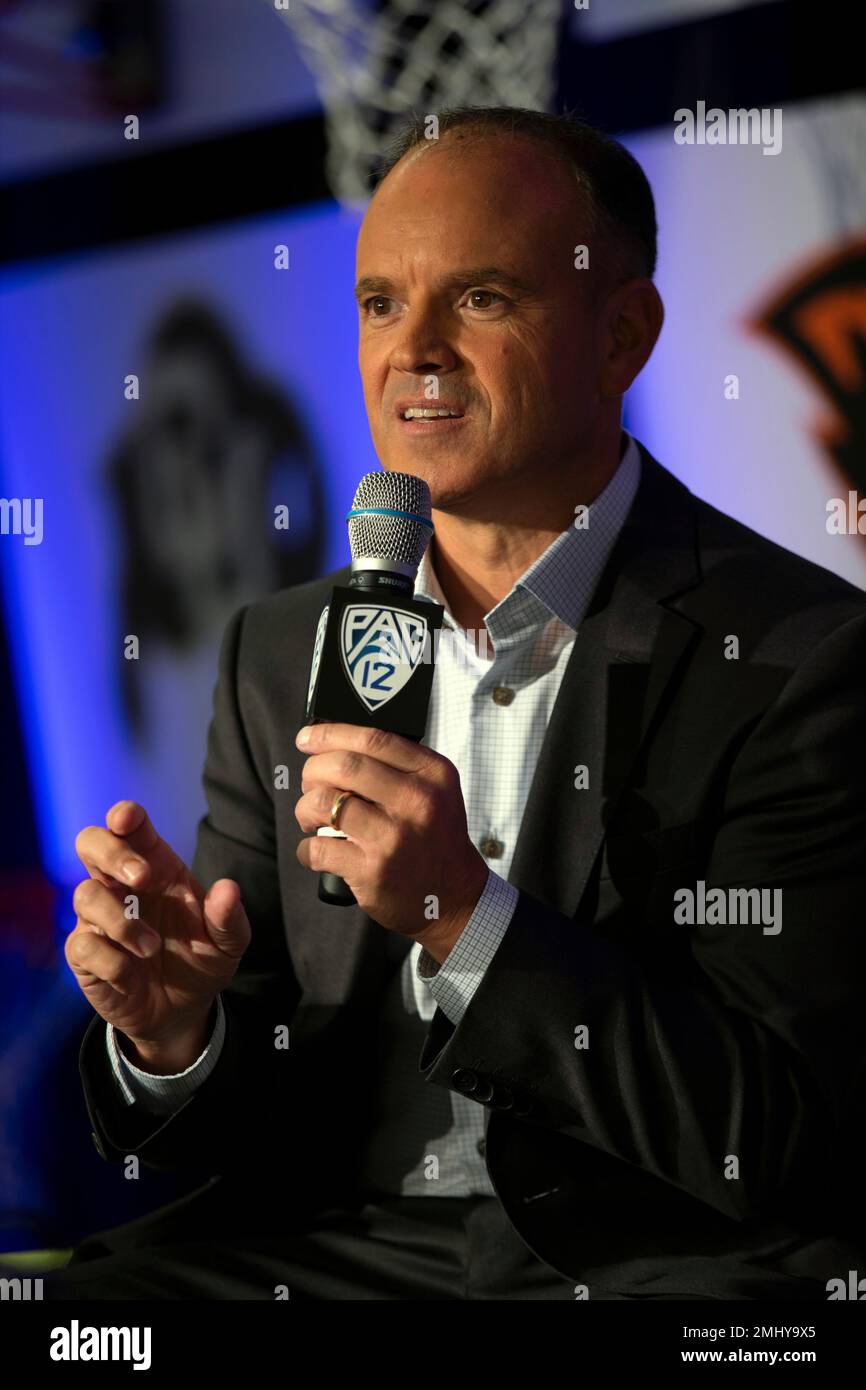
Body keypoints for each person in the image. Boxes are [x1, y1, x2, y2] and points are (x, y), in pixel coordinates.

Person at [49, 107, 866, 1300]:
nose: (412, 351)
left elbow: (778, 1130)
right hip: (354, 1246)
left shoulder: (798, 656)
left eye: (480, 298)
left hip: (655, 1256)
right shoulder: (277, 651)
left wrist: (465, 918)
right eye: (380, 303)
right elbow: (261, 1084)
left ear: (621, 334)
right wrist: (175, 1032)